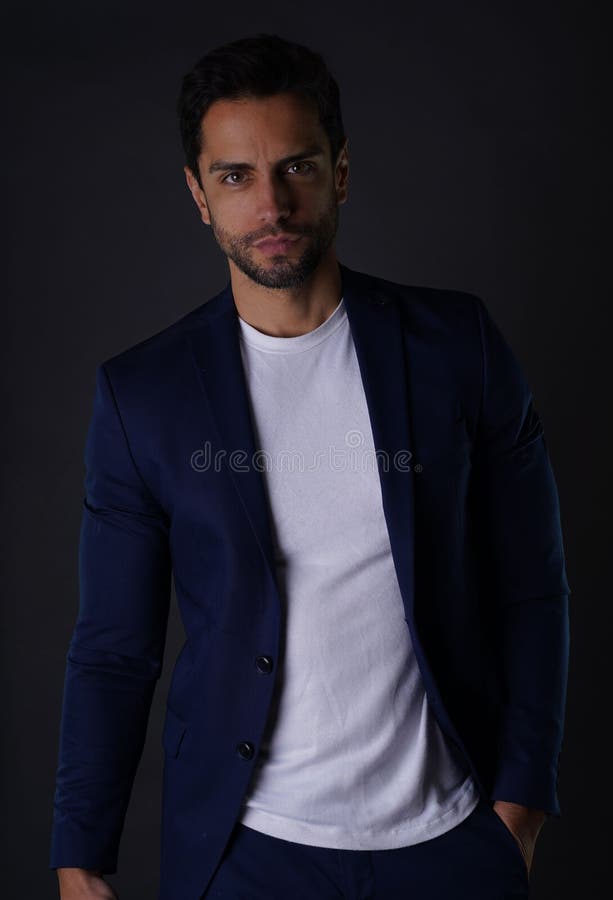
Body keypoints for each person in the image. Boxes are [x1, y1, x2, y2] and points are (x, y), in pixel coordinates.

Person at [50, 32, 570, 900]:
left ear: (339, 172)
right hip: (247, 852)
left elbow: (533, 586)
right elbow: (113, 649)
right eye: (235, 177)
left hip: (450, 841)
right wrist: (79, 860)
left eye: (295, 167)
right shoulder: (144, 397)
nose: (271, 204)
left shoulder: (458, 346)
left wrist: (520, 807)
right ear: (197, 195)